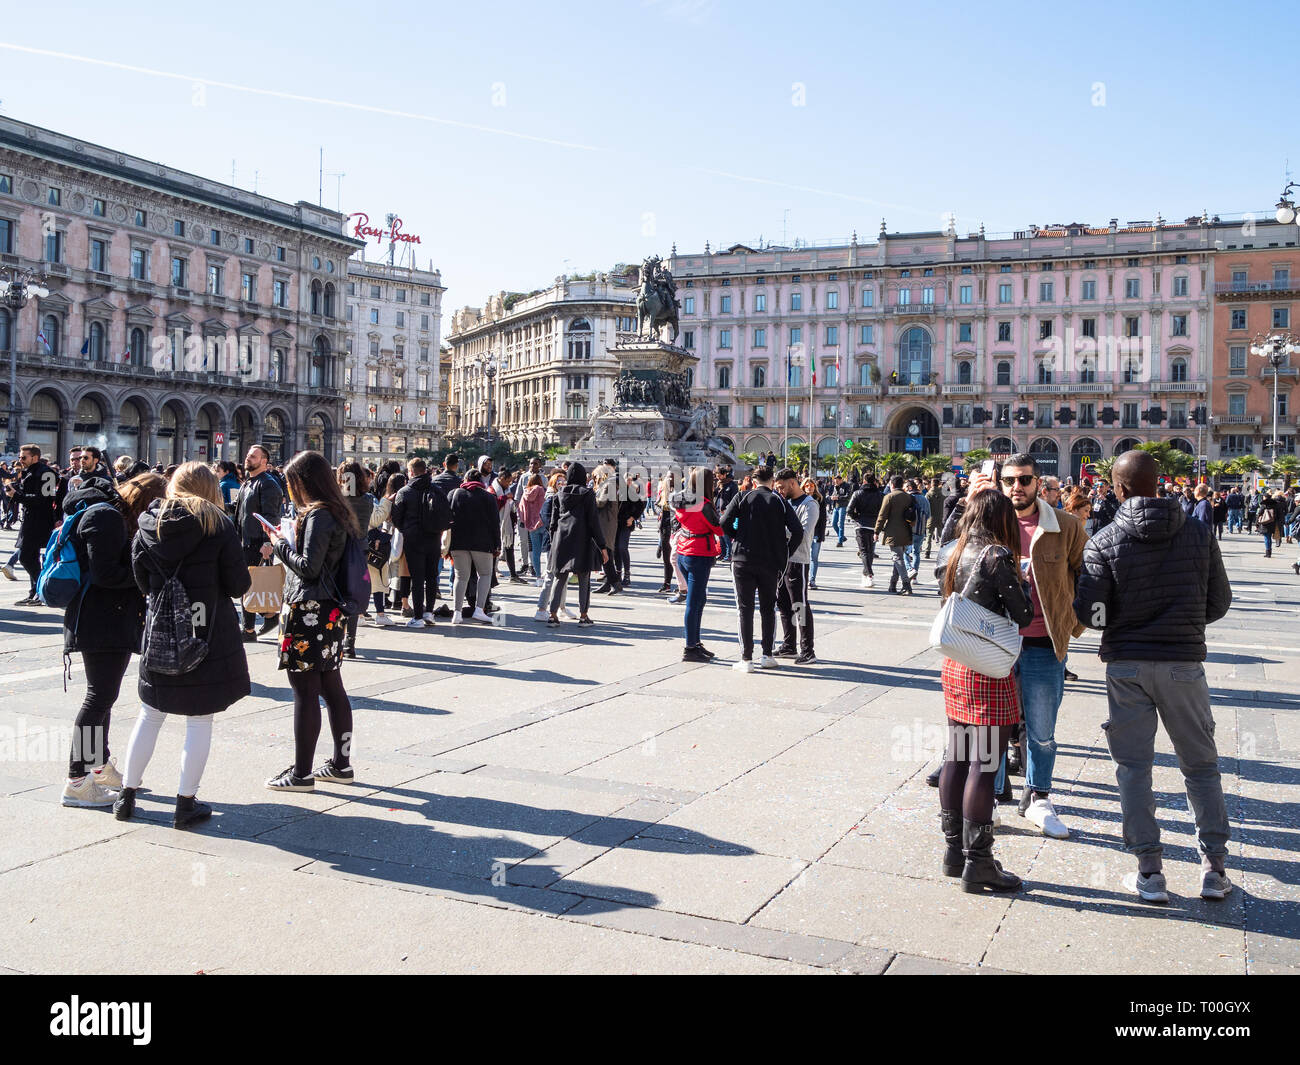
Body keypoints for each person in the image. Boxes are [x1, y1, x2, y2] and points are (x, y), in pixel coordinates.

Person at [1074, 449, 1233, 902]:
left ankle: (1150, 872)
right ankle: (1214, 869)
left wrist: (1115, 618)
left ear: (1118, 488)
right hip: (1183, 663)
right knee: (1201, 766)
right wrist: (1183, 622)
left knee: (1133, 768)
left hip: (1127, 665)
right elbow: (1219, 602)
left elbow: (1095, 615)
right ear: (1159, 482)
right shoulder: (1200, 533)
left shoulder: (1103, 541)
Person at [944, 454, 1088, 837]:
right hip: (992, 648)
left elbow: (1086, 574)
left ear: (1038, 482)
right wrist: (963, 502)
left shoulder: (1066, 526)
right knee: (991, 729)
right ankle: (986, 798)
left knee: (1041, 730)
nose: (1016, 488)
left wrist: (1072, 624)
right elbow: (946, 557)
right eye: (1009, 480)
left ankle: (1038, 796)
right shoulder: (989, 523)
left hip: (1043, 642)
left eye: (1024, 479)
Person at [118, 462, 252, 827]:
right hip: (204, 630)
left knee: (150, 714)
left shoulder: (149, 522)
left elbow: (141, 580)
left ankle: (126, 796)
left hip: (161, 628)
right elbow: (239, 585)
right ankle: (185, 802)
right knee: (199, 720)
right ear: (211, 488)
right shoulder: (218, 525)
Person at [937, 490, 1034, 893]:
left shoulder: (952, 551)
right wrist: (1024, 580)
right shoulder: (996, 555)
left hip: (955, 663)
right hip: (987, 668)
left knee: (957, 757)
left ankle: (953, 851)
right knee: (985, 762)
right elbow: (1023, 614)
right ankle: (979, 862)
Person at [60, 472, 168, 808]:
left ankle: (96, 767)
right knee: (98, 697)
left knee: (103, 697)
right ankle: (77, 780)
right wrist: (145, 577)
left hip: (108, 617)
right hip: (99, 619)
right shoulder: (106, 516)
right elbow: (105, 572)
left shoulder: (111, 515)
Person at [263, 451, 360, 792]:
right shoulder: (338, 511)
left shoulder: (319, 515)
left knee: (305, 692)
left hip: (309, 612)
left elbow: (308, 567)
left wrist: (279, 544)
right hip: (330, 612)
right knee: (333, 689)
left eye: (291, 482)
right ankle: (340, 763)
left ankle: (302, 773)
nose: (290, 489)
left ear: (303, 482)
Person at [720, 464, 803, 672]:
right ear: (772, 481)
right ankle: (767, 654)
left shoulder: (742, 497)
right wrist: (785, 551)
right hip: (770, 561)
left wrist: (736, 537)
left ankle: (746, 659)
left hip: (742, 559)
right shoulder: (780, 501)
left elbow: (723, 522)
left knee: (744, 609)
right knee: (768, 609)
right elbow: (798, 531)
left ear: (754, 481)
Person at [543, 461, 608, 627]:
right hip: (582, 537)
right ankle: (583, 615)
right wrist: (602, 546)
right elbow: (594, 522)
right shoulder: (587, 494)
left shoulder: (559, 494)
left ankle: (552, 615)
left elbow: (552, 523)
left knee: (559, 577)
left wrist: (554, 540)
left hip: (561, 538)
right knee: (584, 578)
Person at [672, 467, 724, 662]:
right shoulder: (704, 504)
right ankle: (690, 647)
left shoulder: (680, 499)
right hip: (699, 552)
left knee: (698, 601)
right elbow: (718, 530)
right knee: (694, 604)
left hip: (685, 550)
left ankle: (695, 642)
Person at [390, 457, 450, 628]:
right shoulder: (437, 490)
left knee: (417, 578)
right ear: (425, 470)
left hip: (413, 539)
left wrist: (406, 529)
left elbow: (396, 518)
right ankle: (429, 613)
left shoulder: (404, 492)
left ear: (411, 472)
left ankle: (417, 617)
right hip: (433, 538)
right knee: (432, 576)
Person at [235, 444, 284, 641]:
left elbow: (272, 515)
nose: (248, 458)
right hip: (244, 540)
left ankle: (249, 630)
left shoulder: (268, 483)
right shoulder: (248, 482)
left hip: (257, 541)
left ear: (264, 461)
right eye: (248, 455)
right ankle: (268, 616)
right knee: (250, 584)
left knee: (248, 584)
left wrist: (267, 542)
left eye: (253, 456)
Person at [774, 469, 820, 663]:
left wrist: (777, 530)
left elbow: (803, 533)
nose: (780, 491)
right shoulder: (783, 504)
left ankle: (808, 650)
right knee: (783, 605)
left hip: (798, 561)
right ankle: (789, 645)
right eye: (778, 488)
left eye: (782, 487)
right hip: (781, 560)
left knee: (799, 605)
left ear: (793, 483)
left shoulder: (809, 504)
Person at [6, 444, 61, 604]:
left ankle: (41, 589)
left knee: (26, 557)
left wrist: (16, 496)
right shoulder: (29, 472)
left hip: (40, 521)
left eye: (24, 457)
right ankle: (35, 592)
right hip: (30, 519)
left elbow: (44, 500)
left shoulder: (47, 473)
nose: (20, 460)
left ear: (34, 457)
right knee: (30, 557)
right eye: (20, 457)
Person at [448, 467, 501, 624]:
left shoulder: (455, 494)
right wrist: (497, 544)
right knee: (485, 575)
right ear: (481, 482)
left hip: (458, 543)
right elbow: (495, 523)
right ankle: (479, 609)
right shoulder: (488, 497)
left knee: (460, 576)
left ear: (465, 480)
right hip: (482, 543)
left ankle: (457, 613)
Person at [338, 461, 374, 658]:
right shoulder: (367, 499)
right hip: (359, 550)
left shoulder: (337, 499)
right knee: (352, 596)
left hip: (338, 549)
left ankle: (335, 637)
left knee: (336, 593)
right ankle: (349, 643)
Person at [875, 475, 917, 595]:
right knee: (898, 557)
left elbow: (882, 516)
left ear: (892, 485)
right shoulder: (909, 497)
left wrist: (876, 531)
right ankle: (892, 584)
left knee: (897, 558)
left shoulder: (889, 497)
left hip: (893, 532)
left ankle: (906, 585)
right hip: (906, 532)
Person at [846, 475, 883, 588]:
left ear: (864, 481)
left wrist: (857, 518)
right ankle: (866, 575)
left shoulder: (857, 493)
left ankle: (869, 574)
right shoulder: (880, 495)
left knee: (864, 551)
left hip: (861, 525)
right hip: (874, 525)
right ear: (875, 482)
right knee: (870, 550)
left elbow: (849, 510)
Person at [615, 475, 645, 587]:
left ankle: (627, 575)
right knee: (615, 549)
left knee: (622, 547)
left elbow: (640, 506)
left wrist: (632, 518)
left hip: (625, 523)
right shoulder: (611, 493)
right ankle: (618, 573)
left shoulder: (629, 492)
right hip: (614, 524)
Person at [518, 473, 547, 588]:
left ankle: (538, 577)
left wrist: (525, 520)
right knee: (547, 551)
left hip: (531, 524)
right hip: (542, 523)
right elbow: (544, 505)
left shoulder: (525, 492)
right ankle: (547, 574)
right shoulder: (541, 490)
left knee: (535, 551)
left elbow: (520, 508)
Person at [803, 478, 827, 590]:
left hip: (816, 532)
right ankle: (804, 579)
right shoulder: (799, 499)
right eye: (807, 485)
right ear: (803, 487)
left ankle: (812, 580)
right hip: (803, 532)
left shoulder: (820, 499)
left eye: (812, 485)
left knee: (814, 557)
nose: (809, 487)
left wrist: (821, 534)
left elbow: (823, 519)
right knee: (804, 557)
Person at [905, 478, 930, 583]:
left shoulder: (907, 498)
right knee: (916, 553)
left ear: (910, 488)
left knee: (904, 552)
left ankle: (909, 569)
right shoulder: (924, 499)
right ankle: (914, 577)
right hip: (920, 529)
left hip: (907, 529)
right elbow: (928, 514)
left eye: (905, 487)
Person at [714, 467, 739, 562]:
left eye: (719, 475)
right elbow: (714, 495)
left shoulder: (732, 485)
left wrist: (727, 509)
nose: (718, 477)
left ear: (725, 474)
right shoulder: (719, 484)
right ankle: (722, 552)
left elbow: (734, 499)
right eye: (717, 475)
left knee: (725, 534)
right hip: (717, 511)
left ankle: (729, 554)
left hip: (725, 512)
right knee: (719, 534)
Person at [924, 477, 946, 558]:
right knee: (942, 535)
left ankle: (927, 551)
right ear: (939, 484)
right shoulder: (943, 494)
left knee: (929, 535)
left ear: (931, 484)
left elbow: (926, 506)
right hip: (940, 516)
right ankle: (943, 552)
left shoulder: (928, 494)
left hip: (931, 517)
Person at [1257, 489, 1282, 557]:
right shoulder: (1276, 504)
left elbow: (1259, 513)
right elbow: (1279, 514)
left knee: (1267, 537)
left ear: (1265, 497)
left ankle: (1268, 552)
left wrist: (1257, 523)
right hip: (1273, 522)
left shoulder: (1264, 504)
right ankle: (1269, 552)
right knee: (1269, 537)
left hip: (1265, 522)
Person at [828, 475, 851, 546]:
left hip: (843, 506)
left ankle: (840, 541)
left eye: (837, 481)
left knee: (841, 524)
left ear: (841, 480)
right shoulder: (835, 486)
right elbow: (833, 494)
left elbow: (848, 496)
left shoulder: (846, 486)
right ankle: (842, 537)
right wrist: (831, 497)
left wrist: (838, 497)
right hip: (836, 506)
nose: (836, 483)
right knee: (833, 524)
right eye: (835, 482)